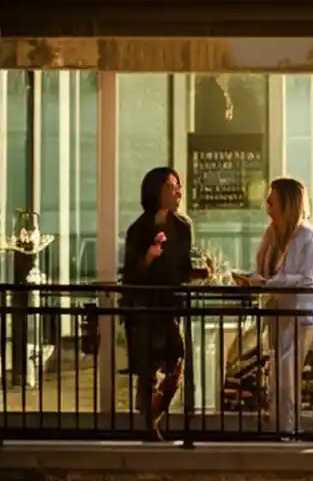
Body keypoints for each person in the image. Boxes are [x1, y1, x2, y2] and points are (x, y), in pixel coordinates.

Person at [120, 167, 204, 439]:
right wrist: (149, 257)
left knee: (176, 364)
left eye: (178, 185)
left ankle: (151, 417)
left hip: (171, 306)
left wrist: (199, 273)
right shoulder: (138, 229)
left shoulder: (182, 227)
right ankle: (147, 427)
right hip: (144, 308)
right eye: (172, 186)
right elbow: (131, 275)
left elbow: (182, 268)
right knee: (147, 371)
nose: (178, 191)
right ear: (156, 191)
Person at [239, 178, 313, 436]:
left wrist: (271, 282)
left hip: (298, 313)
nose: (268, 207)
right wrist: (250, 278)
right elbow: (266, 269)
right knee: (277, 368)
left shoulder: (307, 236)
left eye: (272, 201)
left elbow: (306, 277)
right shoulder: (271, 233)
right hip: (275, 309)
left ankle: (288, 429)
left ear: (287, 204)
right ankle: (278, 425)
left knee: (288, 371)